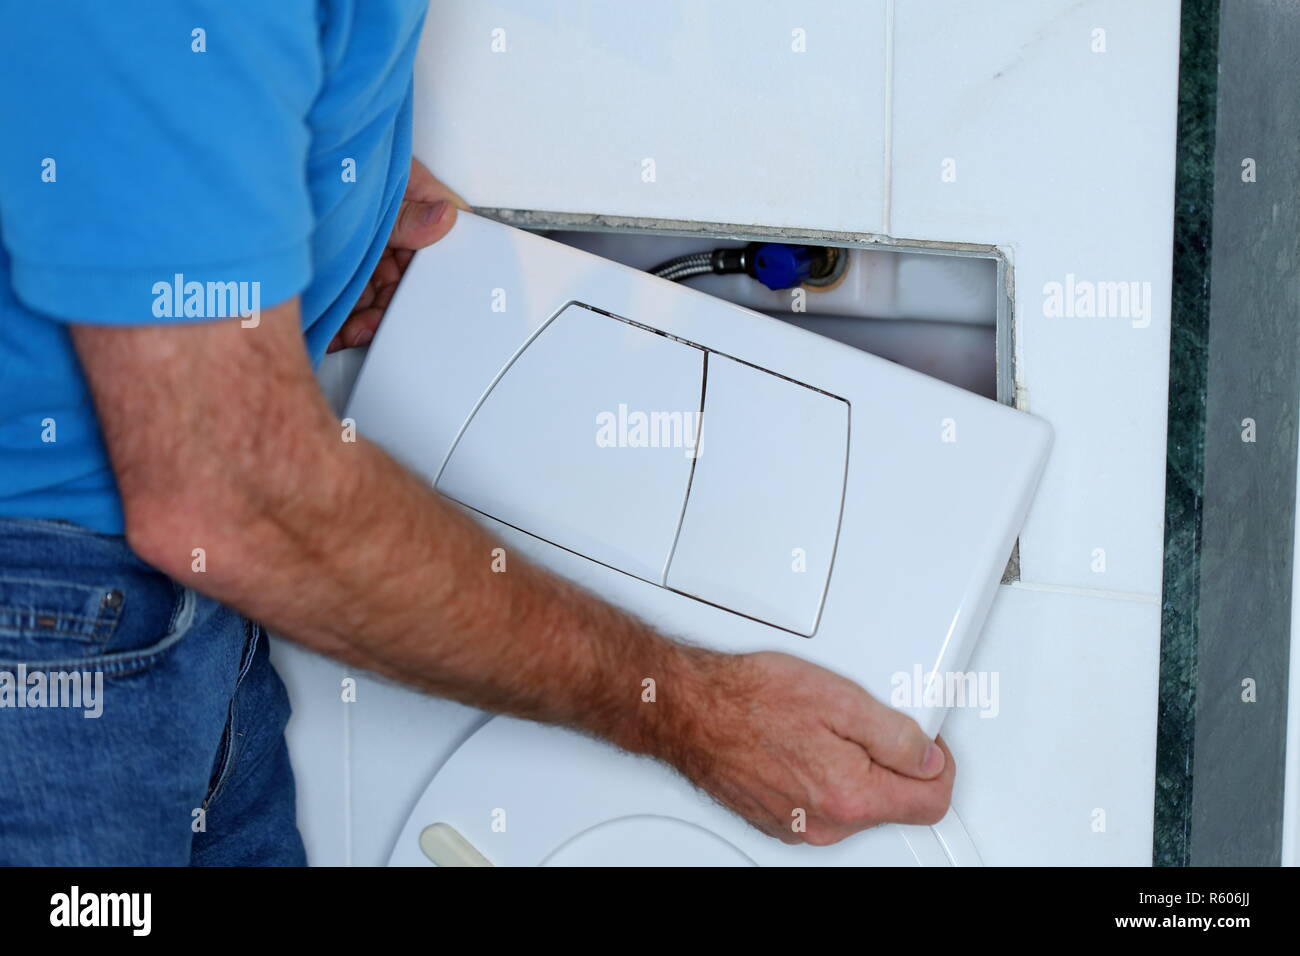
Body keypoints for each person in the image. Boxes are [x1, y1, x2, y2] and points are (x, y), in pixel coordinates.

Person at [0, 2, 953, 865]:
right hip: (51, 634)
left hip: (165, 609)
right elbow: (238, 500)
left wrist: (299, 213)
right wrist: (693, 714)